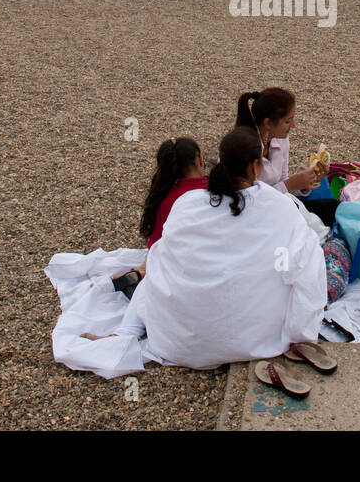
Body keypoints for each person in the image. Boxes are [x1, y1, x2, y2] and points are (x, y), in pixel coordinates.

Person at [98, 128, 331, 392]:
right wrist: (300, 334)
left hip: (182, 341)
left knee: (159, 261)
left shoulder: (188, 203)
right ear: (256, 167)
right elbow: (304, 266)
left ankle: (127, 331)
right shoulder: (278, 206)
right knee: (309, 254)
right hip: (259, 336)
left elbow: (164, 257)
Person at [111, 137, 207, 299]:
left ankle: (140, 274)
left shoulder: (163, 196)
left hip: (173, 260)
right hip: (206, 259)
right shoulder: (212, 188)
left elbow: (155, 243)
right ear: (199, 159)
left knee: (158, 255)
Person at [236, 88, 325, 197]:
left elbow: (283, 180)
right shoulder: (243, 149)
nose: (293, 125)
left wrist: (307, 181)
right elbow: (247, 198)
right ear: (268, 123)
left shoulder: (280, 138)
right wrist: (290, 185)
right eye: (287, 121)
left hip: (277, 203)